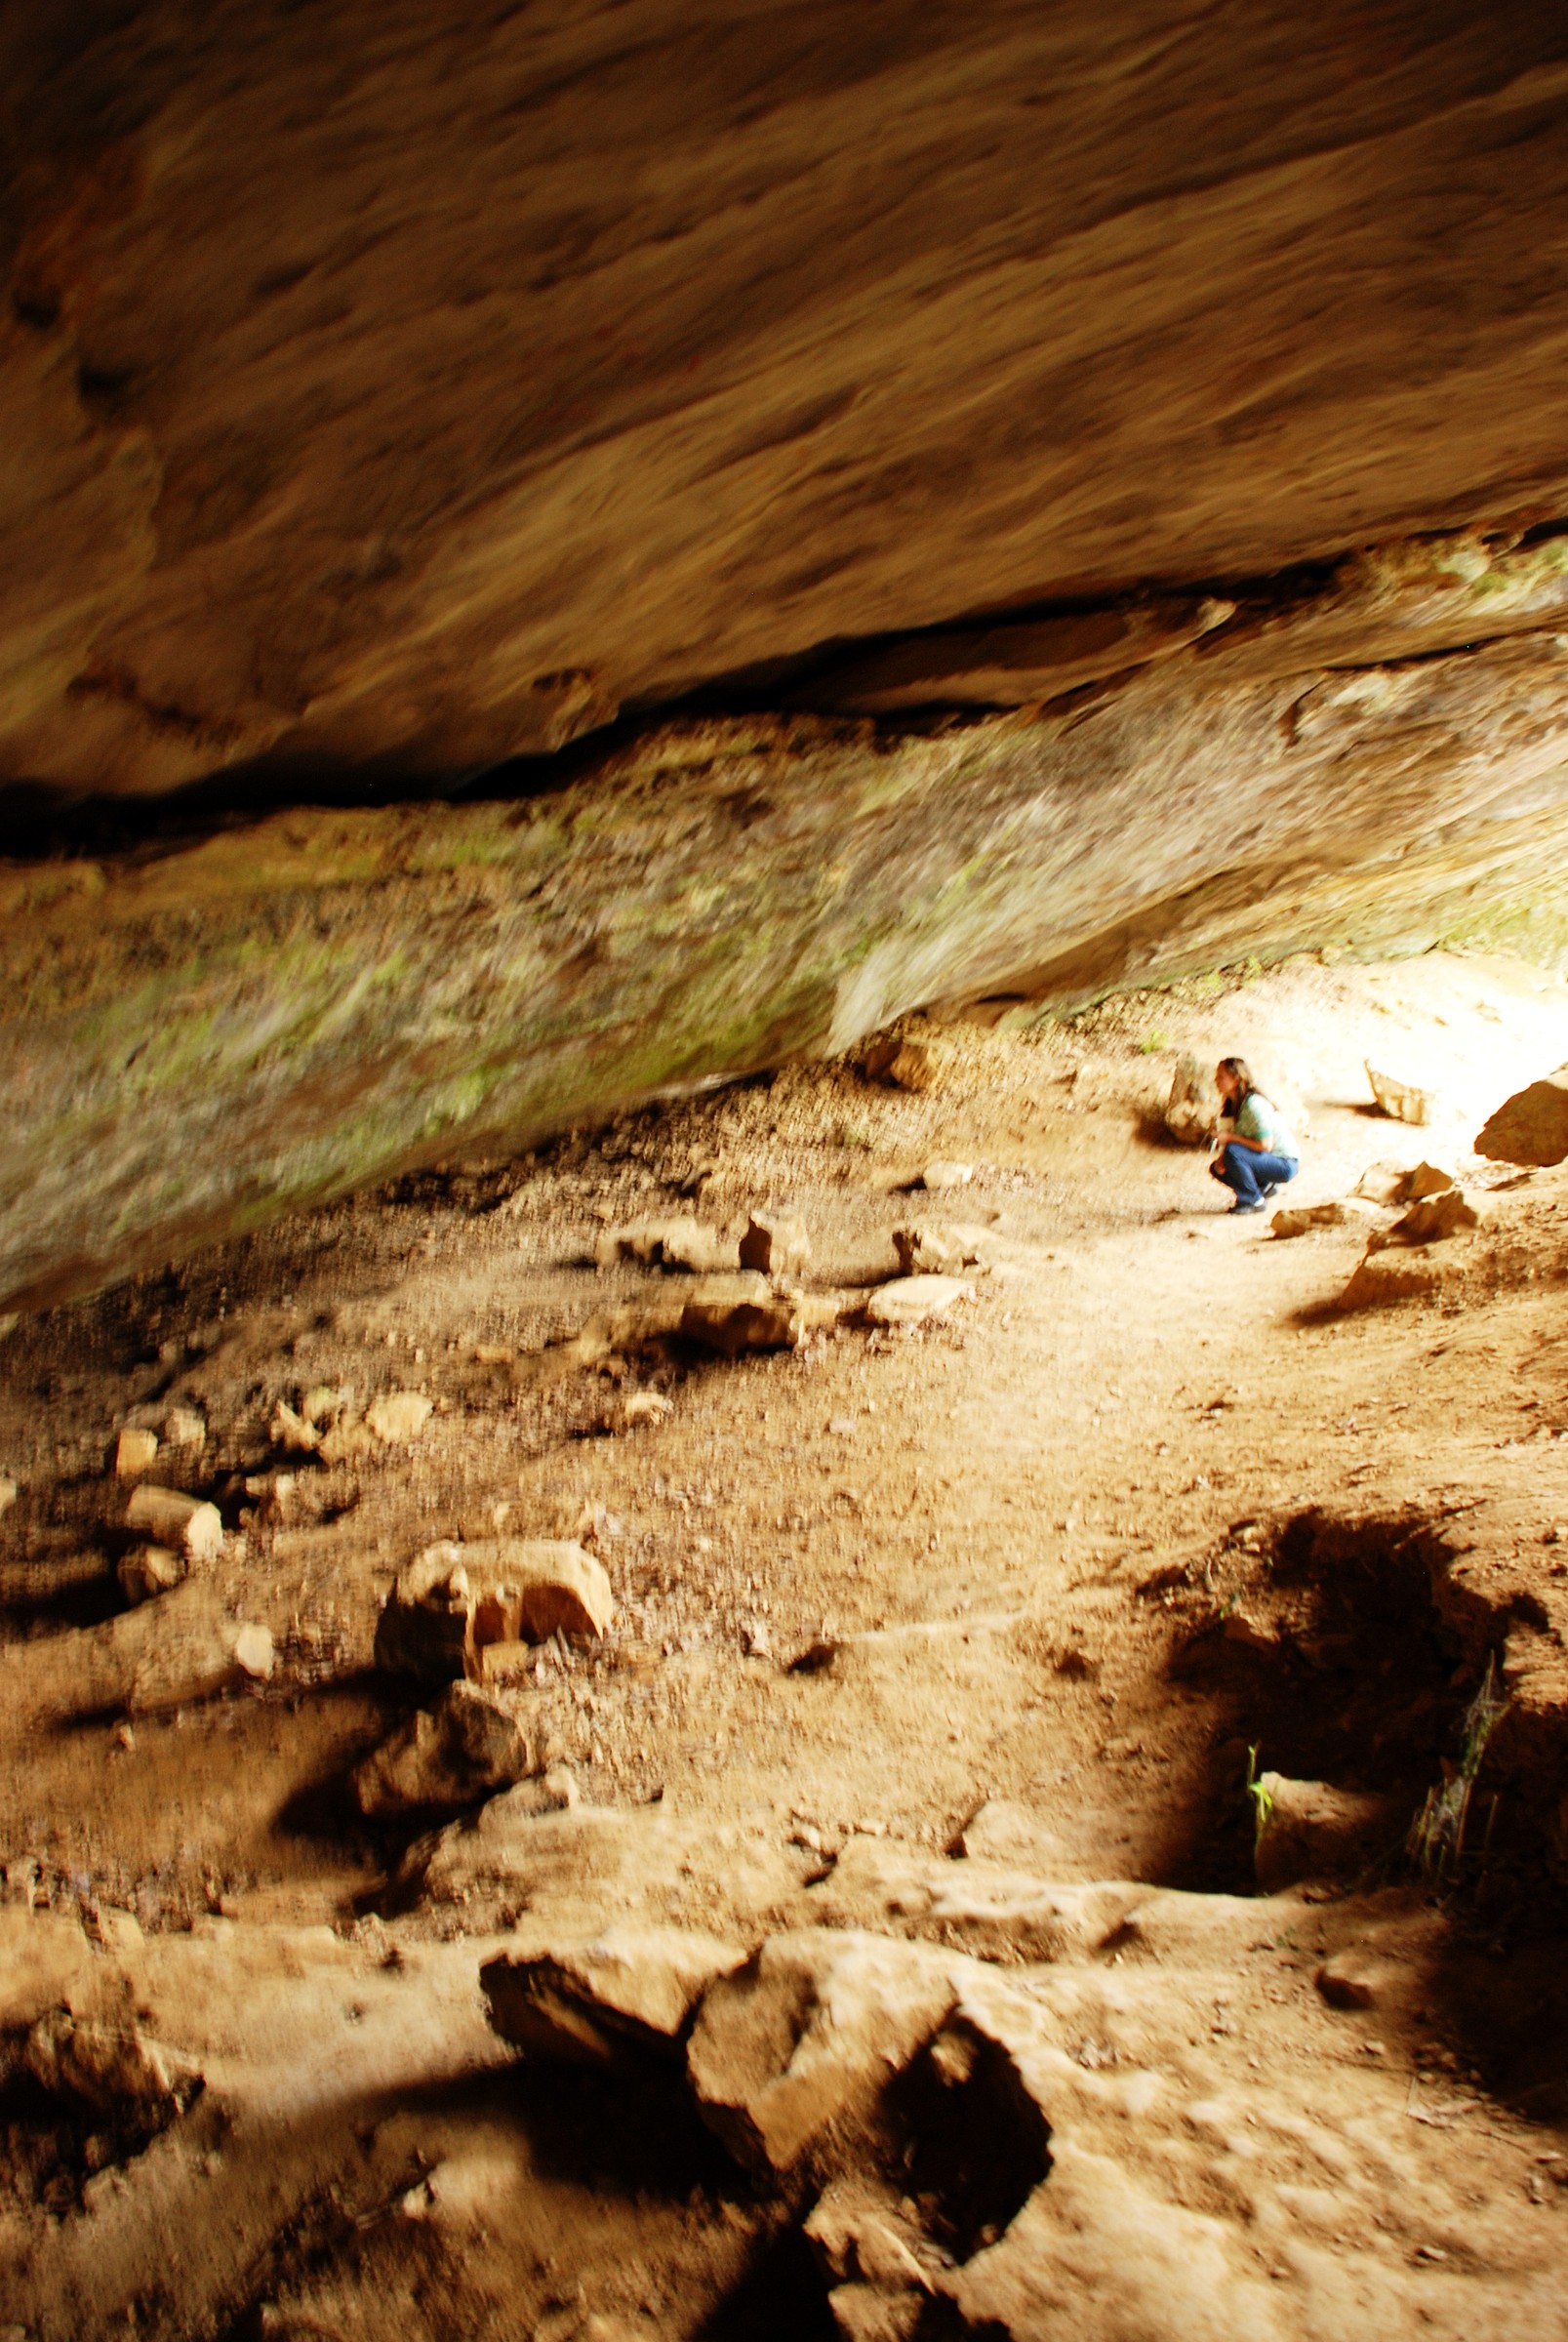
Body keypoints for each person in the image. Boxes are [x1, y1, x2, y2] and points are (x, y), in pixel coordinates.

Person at [1209, 1057, 1298, 1214]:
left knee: (1233, 1152)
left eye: (1221, 1076)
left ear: (1236, 1078)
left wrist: (1230, 1139)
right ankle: (1263, 1186)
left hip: (1285, 1162)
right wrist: (1223, 1161)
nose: (1216, 1080)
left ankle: (1253, 1200)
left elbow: (1265, 1145)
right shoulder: (1235, 1104)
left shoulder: (1252, 1104)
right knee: (1218, 1167)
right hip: (1268, 1159)